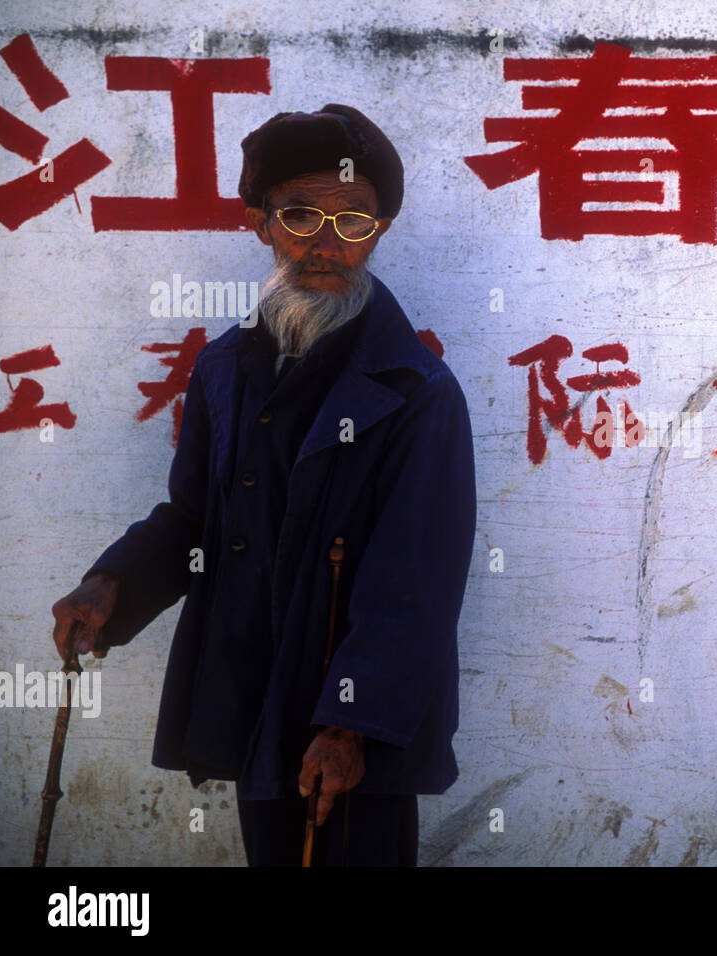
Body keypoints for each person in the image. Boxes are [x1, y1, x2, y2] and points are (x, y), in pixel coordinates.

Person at [49, 104, 476, 866]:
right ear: (261, 224)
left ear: (379, 232)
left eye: (353, 220)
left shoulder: (416, 392)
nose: (326, 243)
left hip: (350, 728)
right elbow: (195, 520)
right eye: (302, 215)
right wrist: (115, 584)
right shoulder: (224, 369)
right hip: (256, 700)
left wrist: (351, 726)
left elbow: (417, 583)